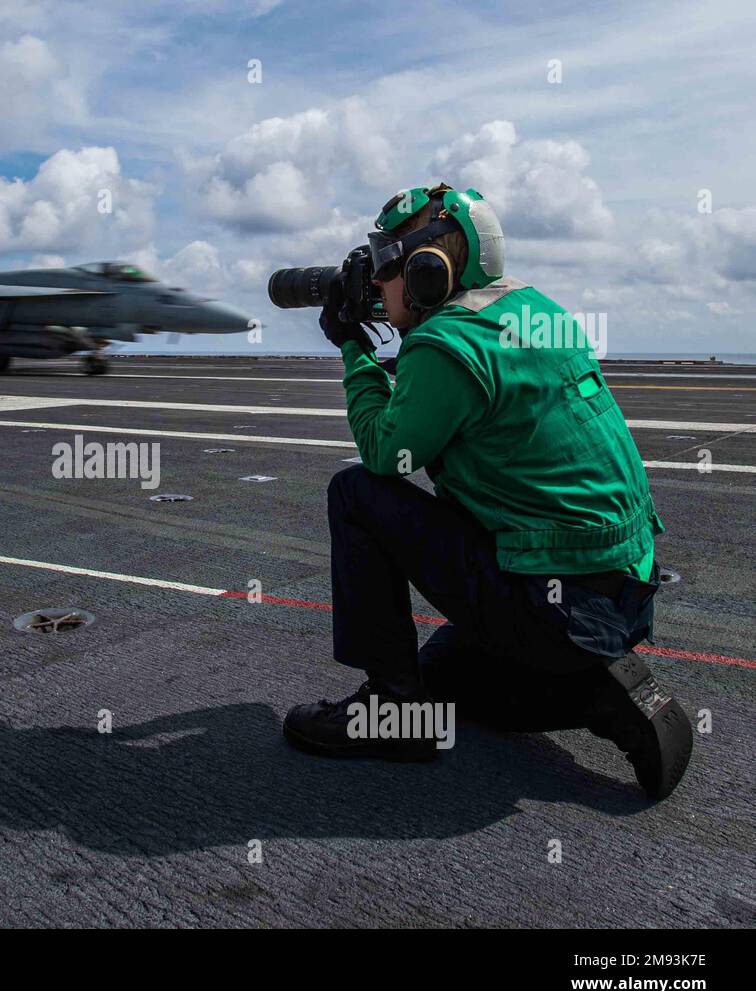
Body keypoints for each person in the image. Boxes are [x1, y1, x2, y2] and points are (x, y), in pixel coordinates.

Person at [282, 183, 693, 800]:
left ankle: (394, 715)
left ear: (429, 269)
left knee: (357, 493)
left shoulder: (444, 345)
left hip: (553, 604)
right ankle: (598, 689)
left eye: (387, 262)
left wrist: (353, 348)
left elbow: (384, 453)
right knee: (443, 678)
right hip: (623, 592)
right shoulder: (535, 312)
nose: (376, 281)